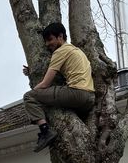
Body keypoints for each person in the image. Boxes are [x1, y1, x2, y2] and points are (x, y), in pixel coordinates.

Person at [22, 22, 95, 152]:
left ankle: (45, 132)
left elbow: (45, 84)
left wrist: (32, 95)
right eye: (46, 41)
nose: (47, 44)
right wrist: (32, 72)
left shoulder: (60, 52)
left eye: (50, 39)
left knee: (28, 96)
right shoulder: (75, 50)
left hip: (76, 93)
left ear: (60, 36)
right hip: (89, 99)